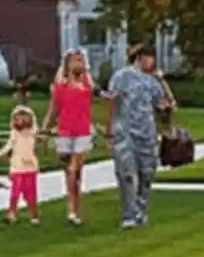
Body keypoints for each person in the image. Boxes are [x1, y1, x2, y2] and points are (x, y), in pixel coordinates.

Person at [106, 45, 174, 229]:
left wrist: (162, 81)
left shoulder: (153, 82)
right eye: (148, 57)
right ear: (139, 57)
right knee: (127, 173)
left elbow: (168, 105)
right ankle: (129, 214)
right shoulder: (122, 76)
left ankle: (141, 211)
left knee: (147, 174)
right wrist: (109, 131)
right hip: (124, 132)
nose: (151, 61)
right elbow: (112, 102)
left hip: (147, 134)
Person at [45, 49, 94, 226]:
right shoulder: (61, 86)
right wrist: (45, 128)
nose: (79, 64)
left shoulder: (87, 83)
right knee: (70, 173)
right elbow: (54, 109)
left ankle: (74, 208)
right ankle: (73, 206)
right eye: (76, 61)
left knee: (75, 168)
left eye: (81, 61)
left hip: (82, 132)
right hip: (65, 131)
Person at [0, 104, 41, 225]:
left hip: (30, 167)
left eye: (25, 118)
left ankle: (34, 215)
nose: (22, 121)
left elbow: (38, 135)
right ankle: (11, 214)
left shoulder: (32, 133)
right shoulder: (14, 134)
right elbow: (7, 147)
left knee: (31, 193)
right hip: (17, 167)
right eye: (18, 118)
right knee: (15, 192)